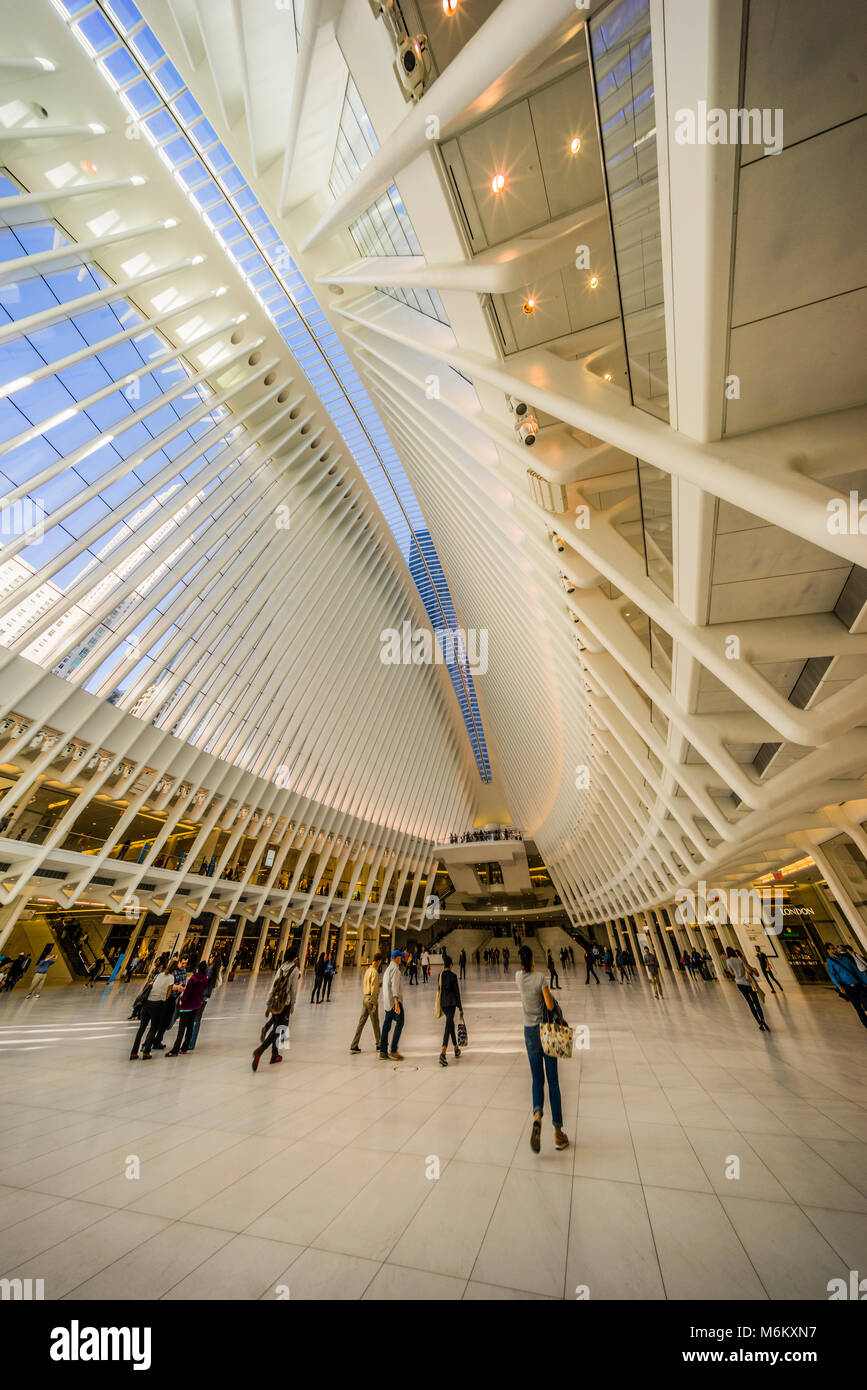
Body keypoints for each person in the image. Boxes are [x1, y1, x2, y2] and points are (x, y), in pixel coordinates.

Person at [515, 945, 569, 1154]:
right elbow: (548, 1006)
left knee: (537, 1079)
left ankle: (537, 1115)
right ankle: (557, 1133)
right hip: (546, 1032)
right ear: (533, 960)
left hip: (529, 1033)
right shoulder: (540, 978)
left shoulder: (518, 978)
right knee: (553, 1081)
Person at [252, 949, 300, 1070]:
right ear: (294, 957)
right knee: (280, 1028)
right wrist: (292, 1004)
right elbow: (293, 990)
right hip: (285, 1003)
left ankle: (274, 1054)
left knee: (276, 1026)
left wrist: (268, 1005)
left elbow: (273, 986)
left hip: (275, 1001)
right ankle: (260, 1050)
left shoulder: (281, 968)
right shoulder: (294, 970)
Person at [130, 960, 175, 1060]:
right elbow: (169, 992)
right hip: (157, 1004)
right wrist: (164, 999)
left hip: (147, 1003)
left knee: (141, 1028)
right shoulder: (171, 977)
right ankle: (146, 1052)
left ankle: (134, 1052)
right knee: (153, 1028)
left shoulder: (158, 975)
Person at [167, 959, 210, 1056]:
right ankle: (185, 1047)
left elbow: (187, 992)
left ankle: (175, 1050)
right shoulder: (205, 979)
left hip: (187, 1006)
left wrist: (182, 1000)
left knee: (181, 1028)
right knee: (190, 1027)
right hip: (196, 1005)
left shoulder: (193, 979)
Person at [723, 946, 769, 1030]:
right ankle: (762, 1019)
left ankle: (759, 1022)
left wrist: (736, 973)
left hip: (739, 983)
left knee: (750, 1002)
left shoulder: (728, 961)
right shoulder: (740, 960)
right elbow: (748, 970)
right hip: (747, 983)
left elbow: (732, 974)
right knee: (756, 1002)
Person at [823, 943, 867, 1030]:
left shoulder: (845, 959)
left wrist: (865, 981)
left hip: (858, 985)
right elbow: (832, 974)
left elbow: (857, 972)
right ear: (828, 951)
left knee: (866, 1002)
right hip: (848, 987)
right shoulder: (830, 961)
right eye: (832, 948)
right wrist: (839, 986)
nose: (835, 950)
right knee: (858, 1007)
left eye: (835, 947)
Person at [350, 951, 382, 1053]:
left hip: (365, 998)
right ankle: (379, 1044)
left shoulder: (368, 970)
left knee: (361, 1023)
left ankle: (354, 1045)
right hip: (371, 1000)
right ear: (378, 961)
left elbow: (369, 984)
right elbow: (373, 989)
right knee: (375, 1023)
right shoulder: (375, 972)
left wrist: (378, 985)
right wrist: (374, 1003)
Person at [379, 949, 405, 1061]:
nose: (401, 958)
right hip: (394, 1002)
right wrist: (396, 1003)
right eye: (400, 957)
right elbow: (394, 987)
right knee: (400, 1022)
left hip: (387, 1003)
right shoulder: (395, 970)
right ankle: (393, 1051)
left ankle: (383, 1051)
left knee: (386, 1026)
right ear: (397, 958)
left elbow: (386, 985)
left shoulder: (387, 969)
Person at [438, 953, 463, 1067]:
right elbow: (457, 993)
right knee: (448, 1026)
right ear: (451, 965)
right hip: (452, 1003)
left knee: (450, 1024)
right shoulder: (453, 976)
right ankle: (443, 1053)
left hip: (443, 1003)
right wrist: (460, 1008)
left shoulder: (440, 975)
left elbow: (439, 989)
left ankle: (456, 1048)